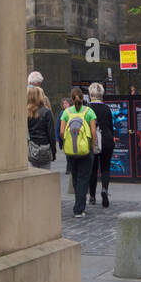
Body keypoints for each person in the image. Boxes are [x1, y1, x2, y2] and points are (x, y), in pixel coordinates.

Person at [60, 87, 97, 217]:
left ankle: (78, 203)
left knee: (75, 178)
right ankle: (79, 209)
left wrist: (67, 144)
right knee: (83, 178)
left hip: (71, 151)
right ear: (83, 98)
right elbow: (93, 131)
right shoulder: (89, 111)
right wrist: (92, 146)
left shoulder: (66, 112)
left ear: (71, 99)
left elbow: (62, 131)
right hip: (85, 150)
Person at [87, 83, 115, 208]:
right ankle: (104, 189)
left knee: (92, 169)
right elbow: (110, 125)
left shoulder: (87, 108)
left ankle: (92, 196)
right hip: (107, 139)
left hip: (93, 140)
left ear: (90, 94)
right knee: (105, 167)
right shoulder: (107, 108)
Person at [26, 85, 57, 168]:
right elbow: (51, 134)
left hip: (32, 148)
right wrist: (53, 152)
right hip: (45, 148)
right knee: (45, 175)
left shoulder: (26, 113)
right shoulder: (46, 112)